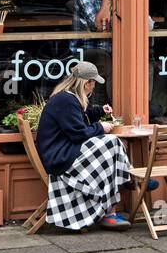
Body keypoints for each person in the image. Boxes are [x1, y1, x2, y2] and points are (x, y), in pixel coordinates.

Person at [36, 61, 135, 231]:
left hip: (64, 151)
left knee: (110, 146)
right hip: (60, 158)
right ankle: (130, 179)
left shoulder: (66, 98)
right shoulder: (66, 100)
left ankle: (126, 184)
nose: (94, 87)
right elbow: (78, 133)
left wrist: (98, 112)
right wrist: (100, 127)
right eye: (93, 83)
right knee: (111, 142)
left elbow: (77, 120)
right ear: (86, 83)